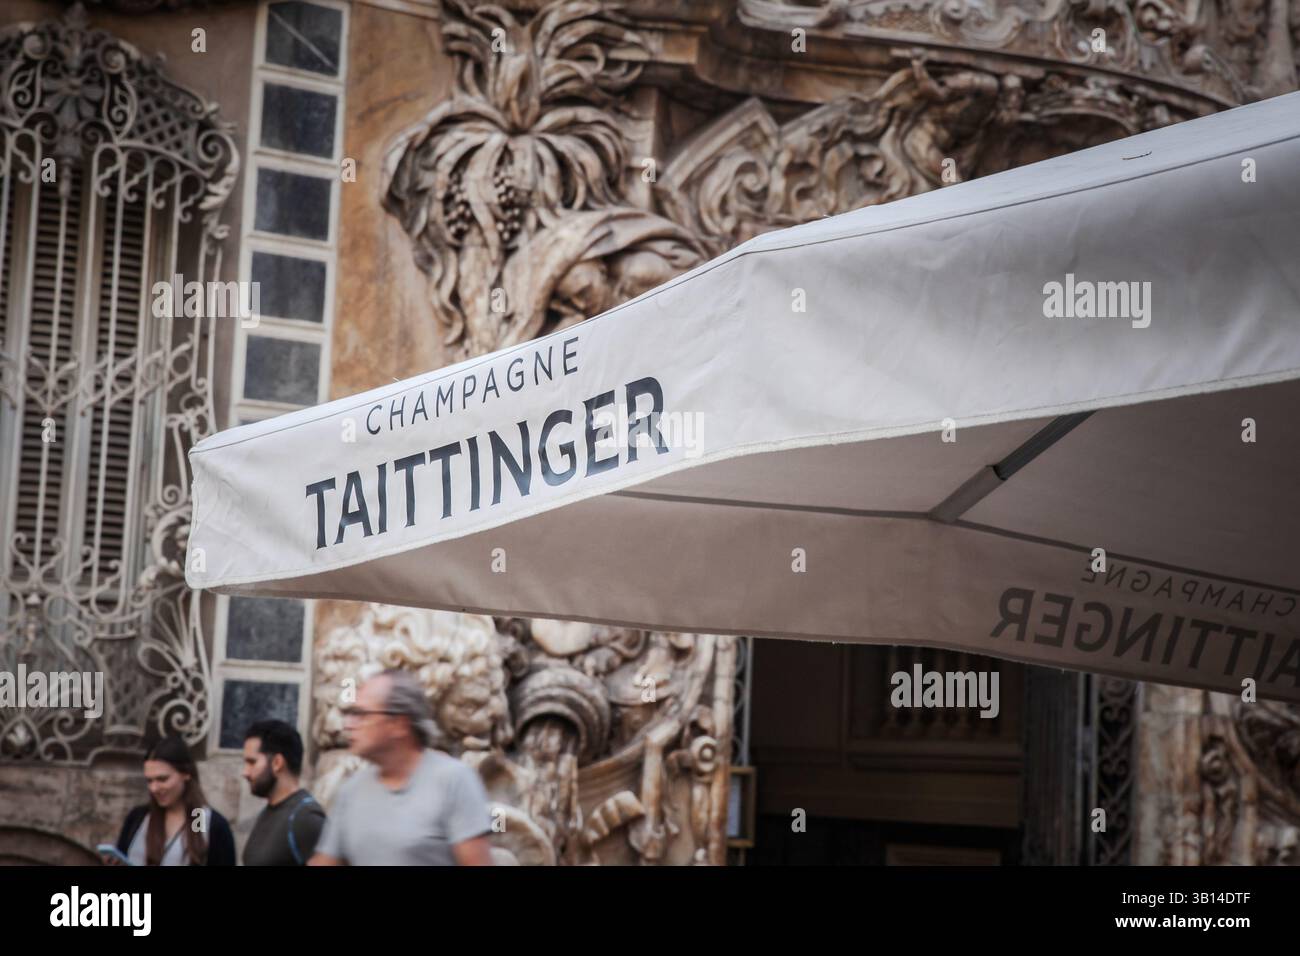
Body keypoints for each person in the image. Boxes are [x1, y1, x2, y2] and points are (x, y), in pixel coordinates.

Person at [309, 668, 493, 866]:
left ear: (398, 724)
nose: (349, 724)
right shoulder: (350, 791)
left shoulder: (455, 780)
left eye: (361, 714)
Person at [109, 734, 235, 866]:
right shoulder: (138, 818)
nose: (154, 788)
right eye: (149, 780)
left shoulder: (206, 821)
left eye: (162, 779)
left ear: (186, 774)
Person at [241, 719, 327, 866]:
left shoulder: (306, 819)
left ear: (277, 763)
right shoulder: (268, 812)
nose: (245, 772)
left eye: (252, 762)